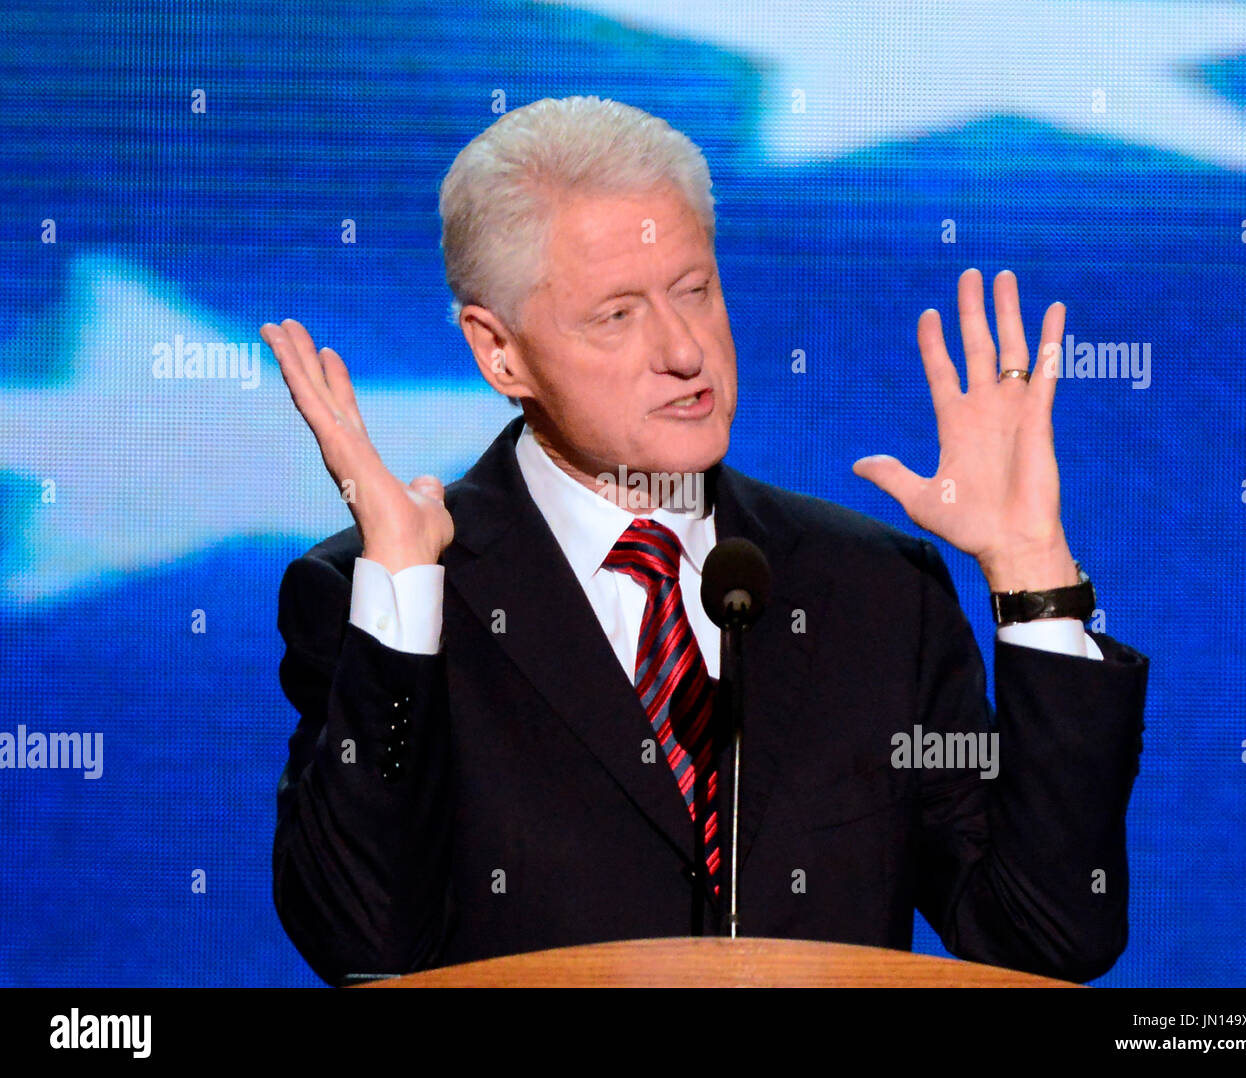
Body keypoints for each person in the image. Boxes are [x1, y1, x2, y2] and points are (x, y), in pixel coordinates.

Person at [262, 96, 1148, 987]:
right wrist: (407, 599)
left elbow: (1047, 939)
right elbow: (365, 946)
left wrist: (1032, 572)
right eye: (617, 315)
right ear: (501, 354)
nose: (686, 351)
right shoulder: (381, 600)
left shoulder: (875, 589)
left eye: (695, 290)